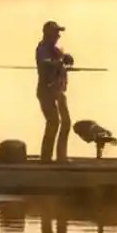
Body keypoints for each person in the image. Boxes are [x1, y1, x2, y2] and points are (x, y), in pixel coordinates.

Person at [35, 20, 74, 163]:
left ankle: (61, 157)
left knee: (66, 122)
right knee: (53, 122)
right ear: (48, 34)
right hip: (46, 92)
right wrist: (61, 61)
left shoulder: (56, 50)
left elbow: (60, 61)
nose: (58, 36)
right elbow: (46, 63)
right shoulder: (42, 49)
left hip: (58, 92)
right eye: (56, 32)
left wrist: (67, 59)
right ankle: (46, 159)